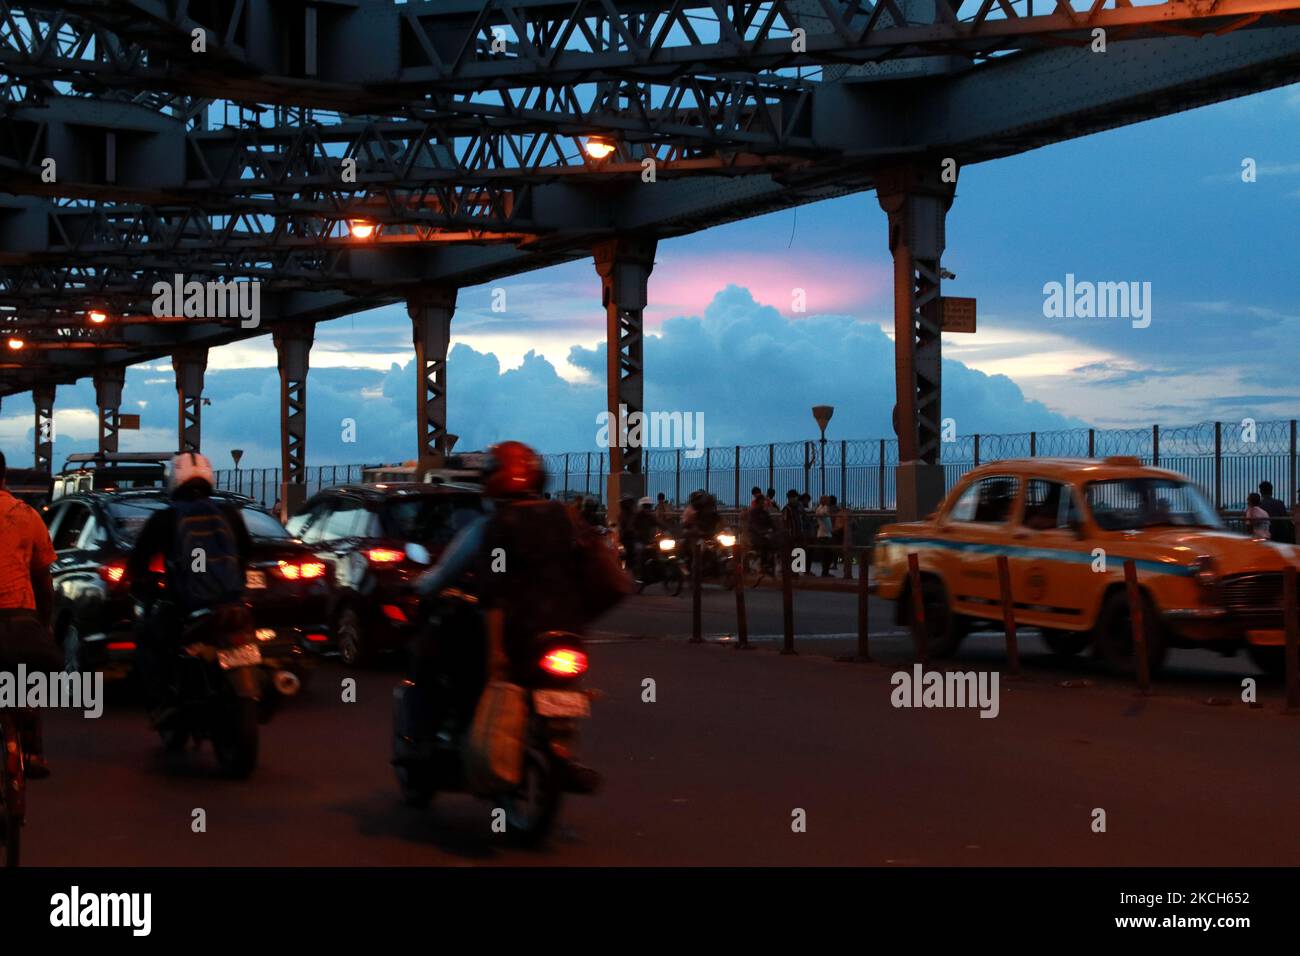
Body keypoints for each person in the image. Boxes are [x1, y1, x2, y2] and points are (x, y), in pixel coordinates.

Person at [129, 452, 253, 725]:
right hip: (233, 603)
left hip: (188, 606)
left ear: (174, 480)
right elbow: (246, 552)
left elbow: (139, 561)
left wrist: (142, 582)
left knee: (149, 641)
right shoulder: (230, 514)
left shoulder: (166, 519)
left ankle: (163, 704)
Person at [0, 449, 59, 778]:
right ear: (4, 477)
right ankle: (34, 753)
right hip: (21, 614)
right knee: (26, 681)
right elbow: (43, 580)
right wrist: (44, 624)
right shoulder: (26, 515)